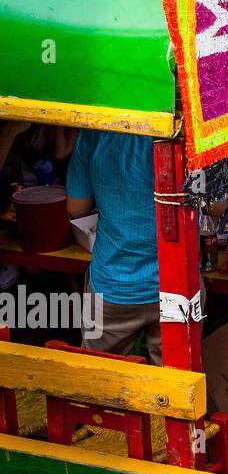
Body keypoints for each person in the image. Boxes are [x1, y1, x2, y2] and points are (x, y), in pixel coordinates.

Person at [65, 131, 164, 364]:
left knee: (101, 380)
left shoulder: (93, 133)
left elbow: (76, 208)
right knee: (176, 384)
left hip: (113, 283)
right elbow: (217, 206)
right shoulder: (185, 132)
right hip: (175, 285)